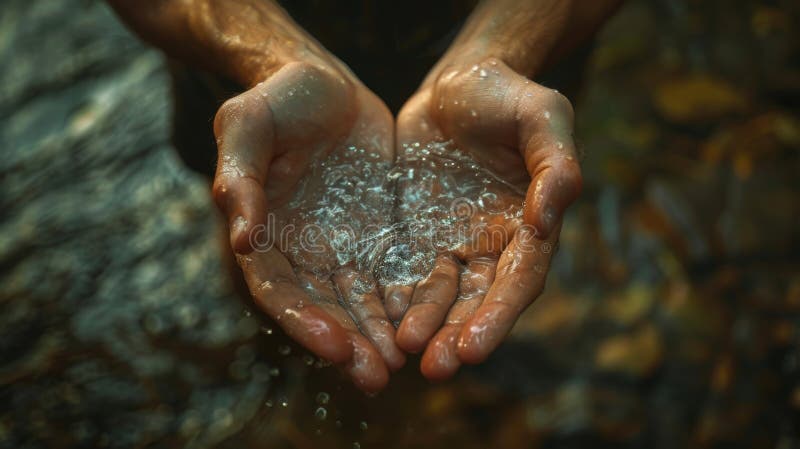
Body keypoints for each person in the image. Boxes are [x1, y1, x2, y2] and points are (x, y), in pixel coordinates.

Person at [107, 0, 621, 393]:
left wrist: (500, 51)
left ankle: (418, 386)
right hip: (250, 59)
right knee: (255, 222)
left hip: (503, 60)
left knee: (515, 213)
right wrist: (270, 54)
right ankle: (291, 364)